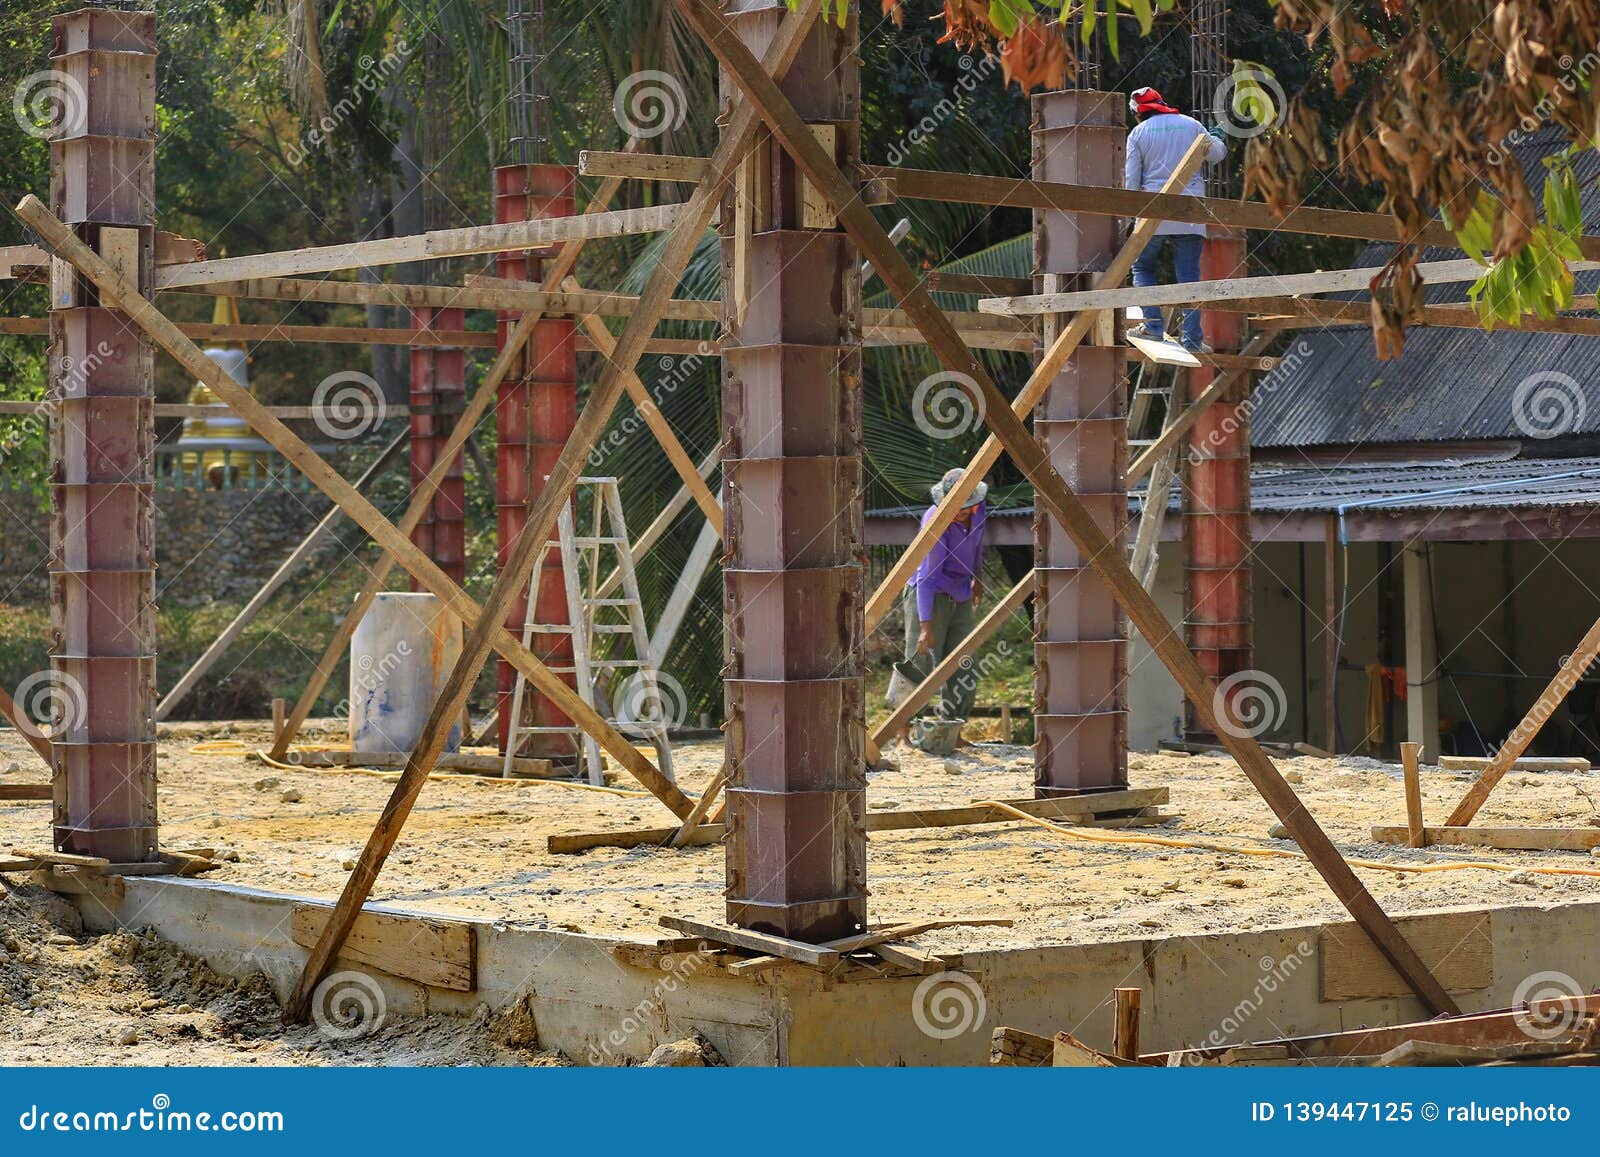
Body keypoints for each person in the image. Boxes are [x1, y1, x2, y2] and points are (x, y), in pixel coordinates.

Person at [1123, 85, 1227, 352]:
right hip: (1189, 213)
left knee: (1143, 268)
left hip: (1153, 214)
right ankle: (1192, 340)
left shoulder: (1138, 133)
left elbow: (1131, 183)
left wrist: (1128, 218)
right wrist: (1216, 137)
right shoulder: (1191, 125)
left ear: (1137, 113)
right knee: (1188, 276)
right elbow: (1216, 155)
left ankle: (1153, 327)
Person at [899, 469, 987, 738]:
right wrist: (925, 627)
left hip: (959, 592)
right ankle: (903, 731)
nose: (959, 511)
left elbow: (977, 544)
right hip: (929, 593)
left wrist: (977, 578)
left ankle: (953, 731)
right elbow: (927, 577)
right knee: (920, 659)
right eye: (954, 506)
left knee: (964, 660)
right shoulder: (935, 521)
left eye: (964, 506)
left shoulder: (979, 510)